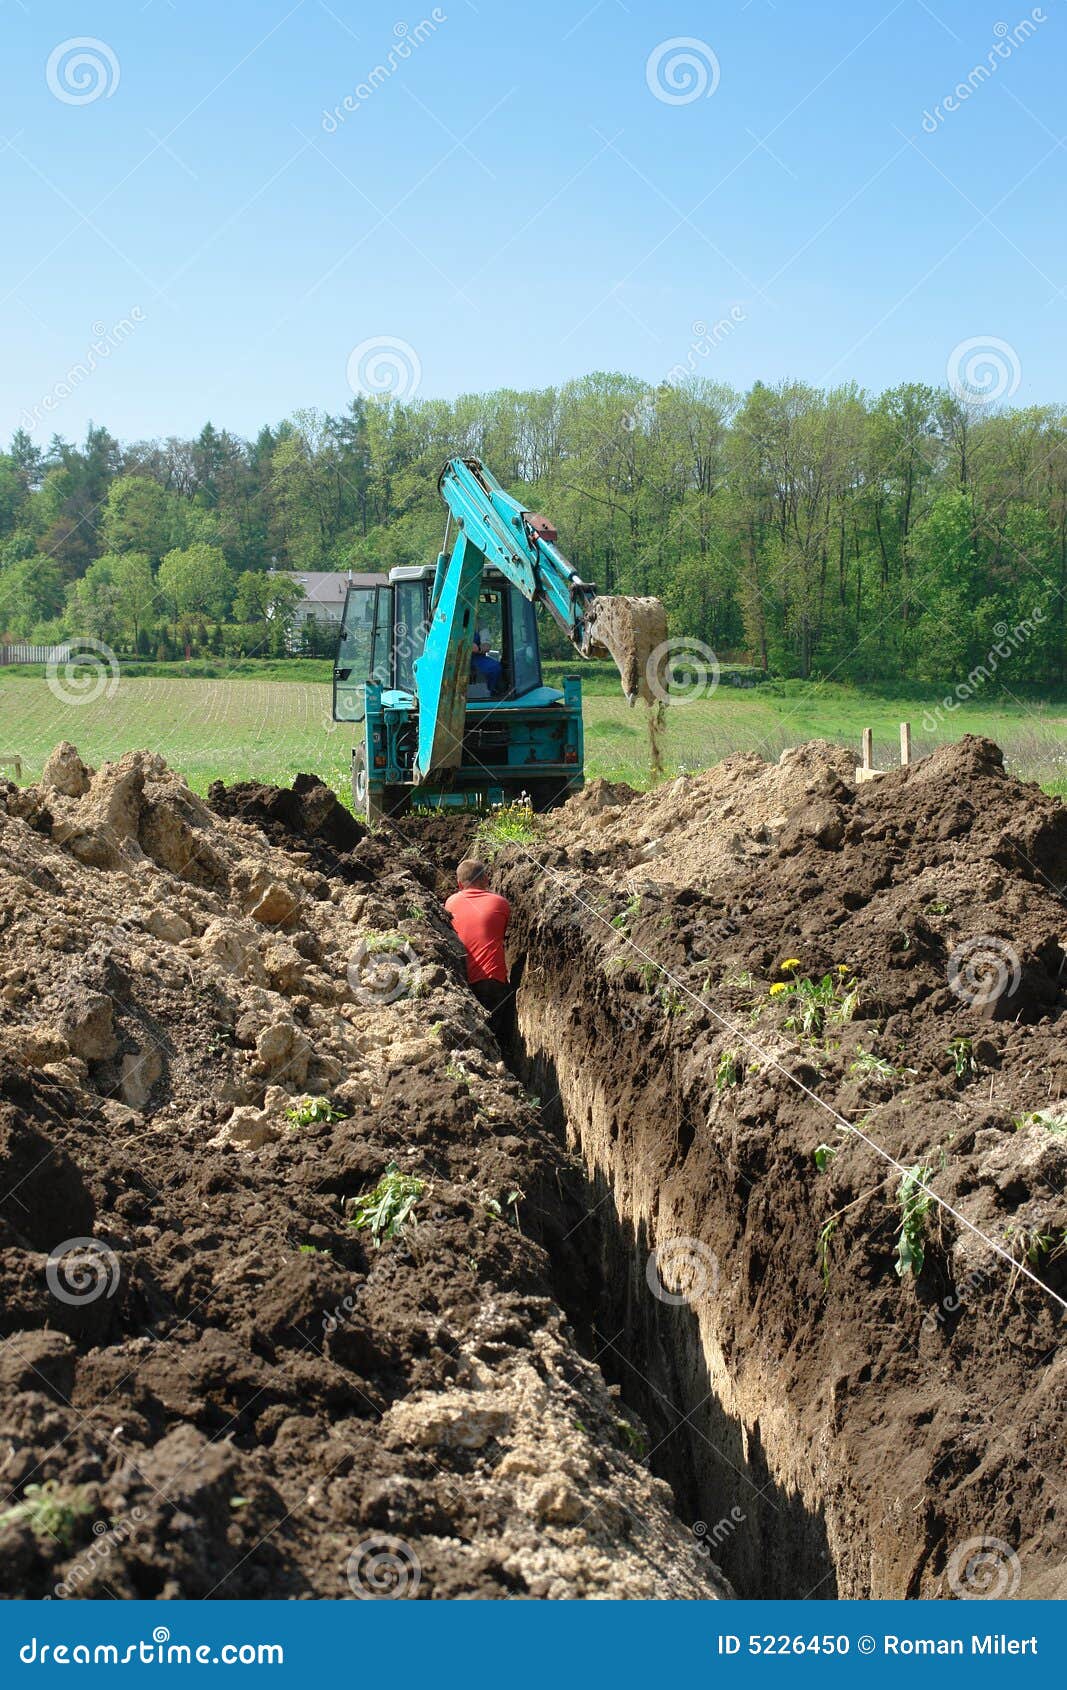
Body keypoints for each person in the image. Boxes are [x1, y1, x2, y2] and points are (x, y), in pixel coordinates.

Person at [445, 858, 513, 1041]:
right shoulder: (500, 903)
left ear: (460, 884)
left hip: (460, 981)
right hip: (492, 980)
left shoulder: (450, 903)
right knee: (497, 1034)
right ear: (486, 879)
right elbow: (500, 933)